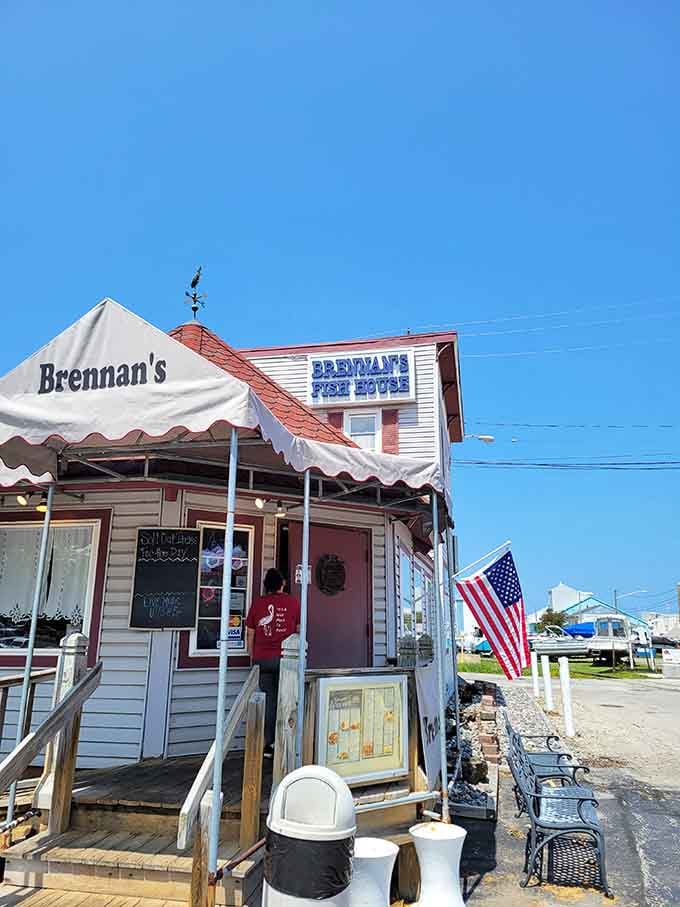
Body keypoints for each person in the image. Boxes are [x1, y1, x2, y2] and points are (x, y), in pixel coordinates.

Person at [245, 568, 300, 757]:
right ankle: (285, 741)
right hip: (286, 660)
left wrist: (253, 657)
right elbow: (299, 631)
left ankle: (268, 744)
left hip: (263, 660)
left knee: (268, 701)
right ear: (282, 583)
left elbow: (250, 633)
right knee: (287, 699)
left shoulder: (257, 604)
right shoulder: (293, 603)